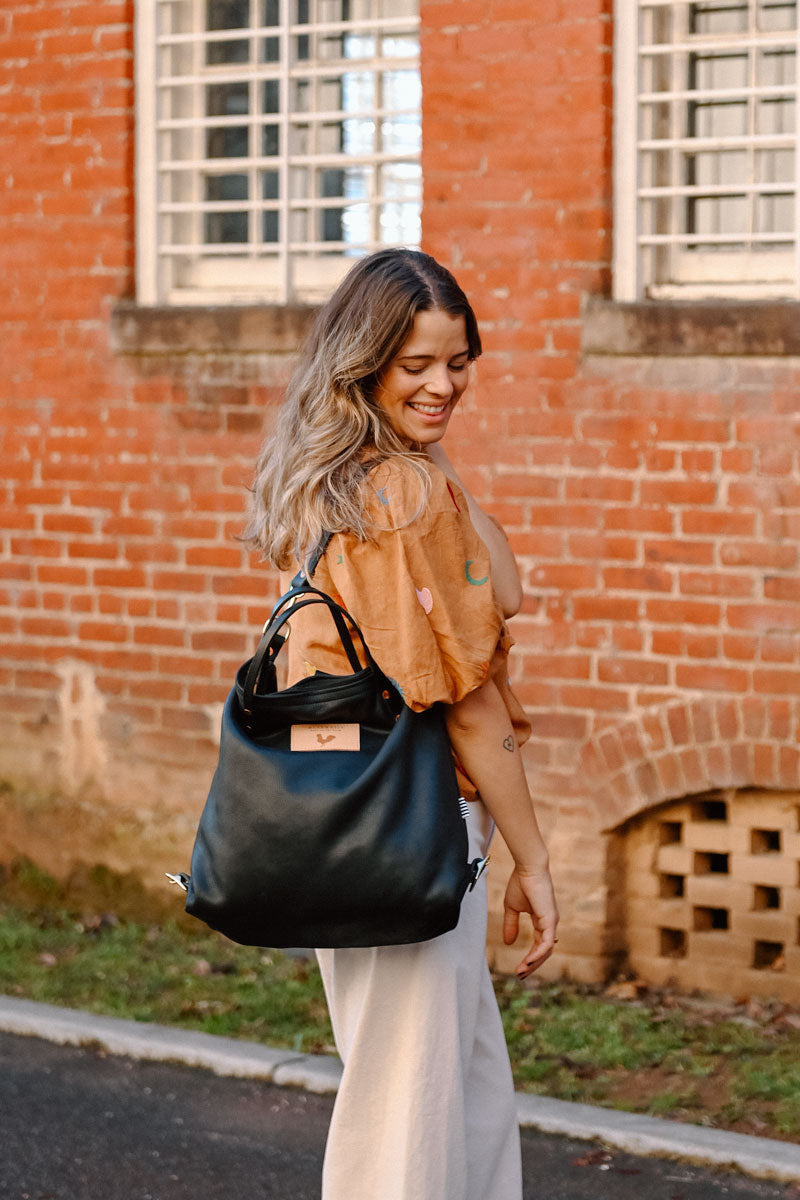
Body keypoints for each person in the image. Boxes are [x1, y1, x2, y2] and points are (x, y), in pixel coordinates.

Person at [246, 248, 558, 1200]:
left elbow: (505, 587)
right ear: (364, 364)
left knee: (457, 1095)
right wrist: (533, 858)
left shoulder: (344, 481)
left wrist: (431, 451)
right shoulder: (404, 495)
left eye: (458, 362)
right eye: (415, 365)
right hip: (411, 824)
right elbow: (469, 703)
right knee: (410, 1119)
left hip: (350, 818)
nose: (444, 385)